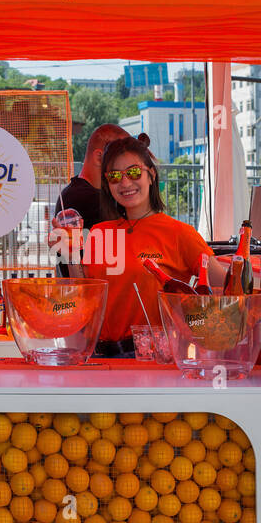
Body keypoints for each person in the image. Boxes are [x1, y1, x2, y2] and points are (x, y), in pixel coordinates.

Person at [77, 135, 219, 358]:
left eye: (133, 172)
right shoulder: (99, 232)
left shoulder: (179, 233)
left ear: (151, 175)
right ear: (107, 184)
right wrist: (70, 252)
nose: (125, 183)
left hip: (152, 356)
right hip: (98, 356)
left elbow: (226, 287)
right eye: (115, 176)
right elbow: (84, 297)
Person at [52, 123, 131, 278]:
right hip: (93, 295)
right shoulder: (85, 198)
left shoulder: (76, 194)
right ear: (99, 157)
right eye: (122, 158)